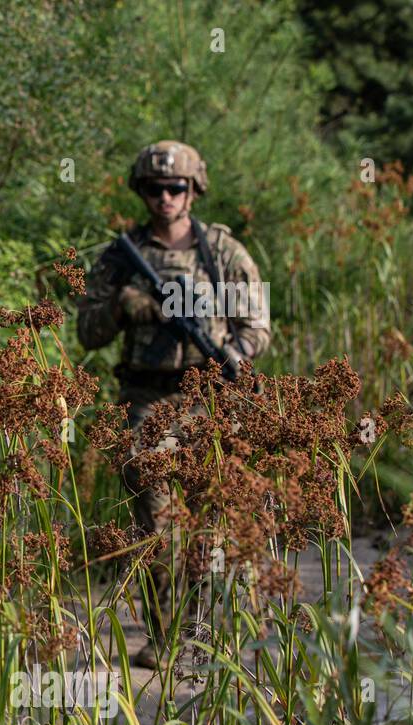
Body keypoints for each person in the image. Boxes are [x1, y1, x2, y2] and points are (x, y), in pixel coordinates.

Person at [77, 141, 270, 668]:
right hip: (146, 398)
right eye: (156, 188)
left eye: (176, 188)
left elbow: (257, 325)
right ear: (142, 191)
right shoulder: (122, 257)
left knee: (211, 522)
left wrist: (231, 355)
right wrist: (123, 308)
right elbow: (88, 332)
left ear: (193, 190)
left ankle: (210, 631)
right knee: (159, 522)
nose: (166, 197)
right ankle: (168, 637)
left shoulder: (222, 252)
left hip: (209, 399)